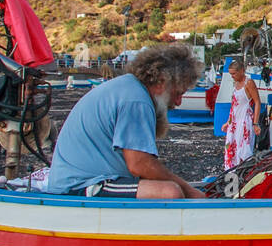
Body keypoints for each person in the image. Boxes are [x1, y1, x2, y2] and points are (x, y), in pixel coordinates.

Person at [48, 43, 204, 198]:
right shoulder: (136, 101)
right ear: (162, 82)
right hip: (80, 186)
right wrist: (190, 191)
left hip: (79, 180)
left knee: (168, 186)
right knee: (170, 191)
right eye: (177, 93)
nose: (178, 102)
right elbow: (139, 164)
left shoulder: (130, 88)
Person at [222, 59, 261, 170]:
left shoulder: (249, 83)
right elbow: (234, 106)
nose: (232, 76)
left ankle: (244, 171)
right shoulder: (236, 83)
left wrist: (255, 123)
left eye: (234, 73)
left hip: (245, 120)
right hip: (234, 121)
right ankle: (232, 172)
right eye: (231, 74)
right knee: (231, 147)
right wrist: (227, 122)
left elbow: (257, 102)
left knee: (244, 148)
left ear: (242, 71)